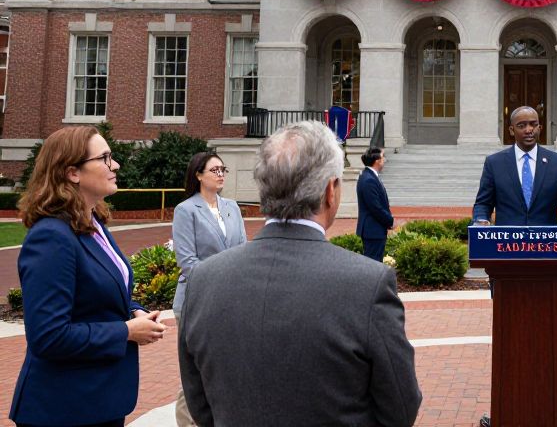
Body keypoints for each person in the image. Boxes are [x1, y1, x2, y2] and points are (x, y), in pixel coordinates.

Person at [178, 121, 421, 427]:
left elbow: (200, 406)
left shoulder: (203, 280)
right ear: (330, 192)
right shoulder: (368, 284)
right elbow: (400, 408)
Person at [9, 126, 166, 427]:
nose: (116, 165)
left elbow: (94, 292)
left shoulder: (92, 224)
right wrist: (126, 331)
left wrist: (134, 310)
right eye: (105, 158)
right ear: (72, 173)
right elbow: (49, 336)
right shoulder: (52, 237)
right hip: (63, 410)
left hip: (97, 402)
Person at [171, 151, 247, 426]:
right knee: (194, 374)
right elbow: (188, 262)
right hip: (196, 302)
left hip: (229, 302)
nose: (221, 174)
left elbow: (243, 251)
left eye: (223, 169)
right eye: (214, 170)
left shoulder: (232, 207)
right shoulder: (185, 210)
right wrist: (223, 281)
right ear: (198, 175)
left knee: (222, 369)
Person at [472, 105, 557, 226]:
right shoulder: (494, 163)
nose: (528, 130)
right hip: (508, 242)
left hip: (544, 242)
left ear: (539, 128)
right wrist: (481, 220)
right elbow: (483, 203)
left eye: (533, 124)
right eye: (521, 125)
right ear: (511, 130)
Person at [356, 146, 394, 261]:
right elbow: (375, 207)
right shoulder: (369, 179)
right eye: (383, 158)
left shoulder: (370, 176)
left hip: (374, 230)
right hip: (372, 230)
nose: (384, 160)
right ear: (377, 161)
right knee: (373, 263)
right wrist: (390, 220)